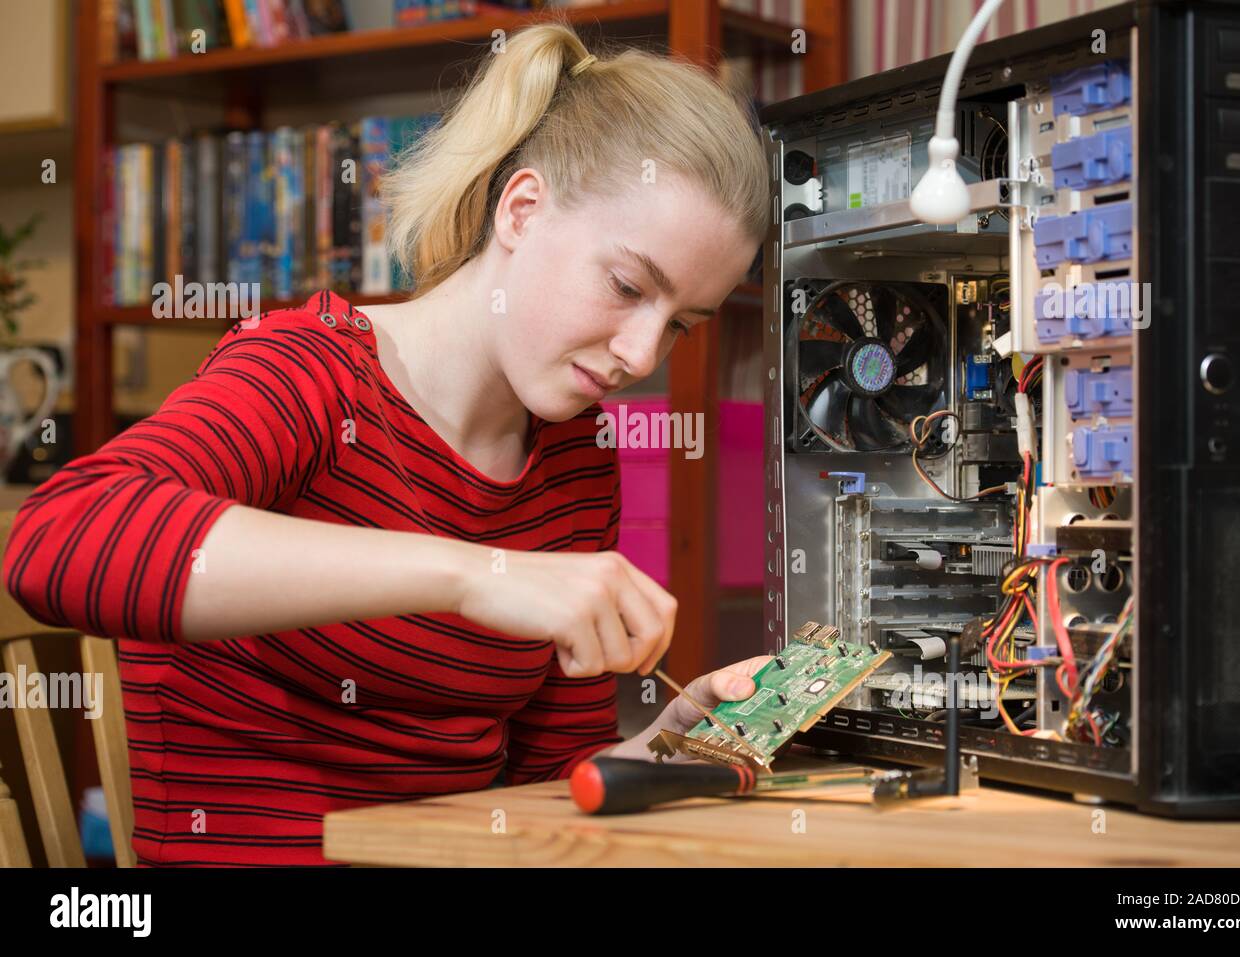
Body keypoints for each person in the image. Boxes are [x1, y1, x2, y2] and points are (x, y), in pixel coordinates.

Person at [2, 22, 772, 866]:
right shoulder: (309, 371)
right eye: (628, 286)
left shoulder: (575, 458)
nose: (640, 354)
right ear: (521, 209)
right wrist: (472, 574)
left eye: (681, 327)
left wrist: (666, 744)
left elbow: (556, 778)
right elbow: (61, 535)